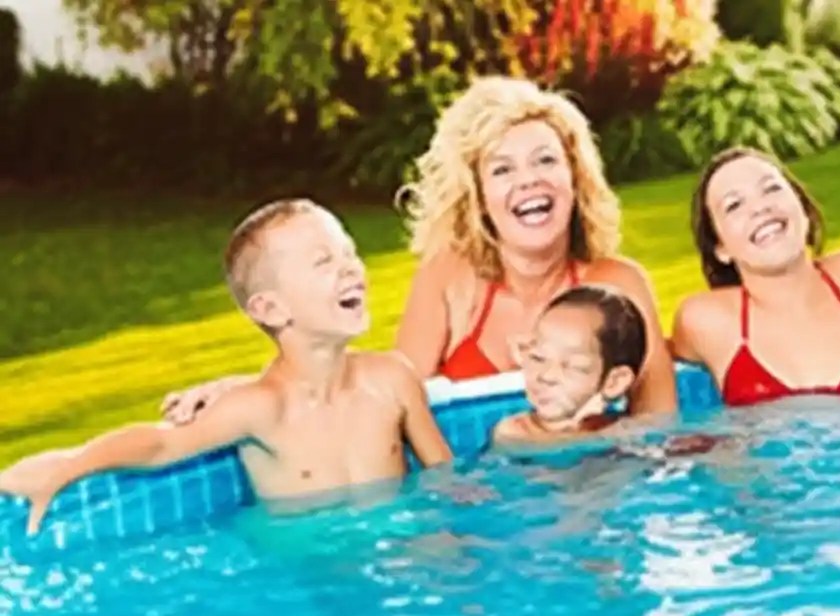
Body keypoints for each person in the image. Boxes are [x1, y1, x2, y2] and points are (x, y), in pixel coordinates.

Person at [159, 76, 677, 423]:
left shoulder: (618, 285)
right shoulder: (450, 279)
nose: (529, 182)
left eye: (545, 161)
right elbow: (379, 392)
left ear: (575, 178)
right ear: (476, 196)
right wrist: (247, 390)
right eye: (502, 169)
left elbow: (659, 424)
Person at [0, 199, 453, 535]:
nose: (351, 268)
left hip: (400, 560)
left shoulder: (393, 379)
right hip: (315, 582)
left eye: (349, 252)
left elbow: (448, 481)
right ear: (271, 308)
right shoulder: (260, 409)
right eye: (324, 261)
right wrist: (70, 467)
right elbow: (159, 445)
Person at [670, 146, 840, 407]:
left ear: (803, 209)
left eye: (771, 188)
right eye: (734, 205)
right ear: (720, 248)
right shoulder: (705, 321)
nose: (760, 208)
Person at [491, 284, 647, 446]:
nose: (546, 376)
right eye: (537, 358)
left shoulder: (621, 435)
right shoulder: (515, 431)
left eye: (573, 366)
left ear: (614, 382)